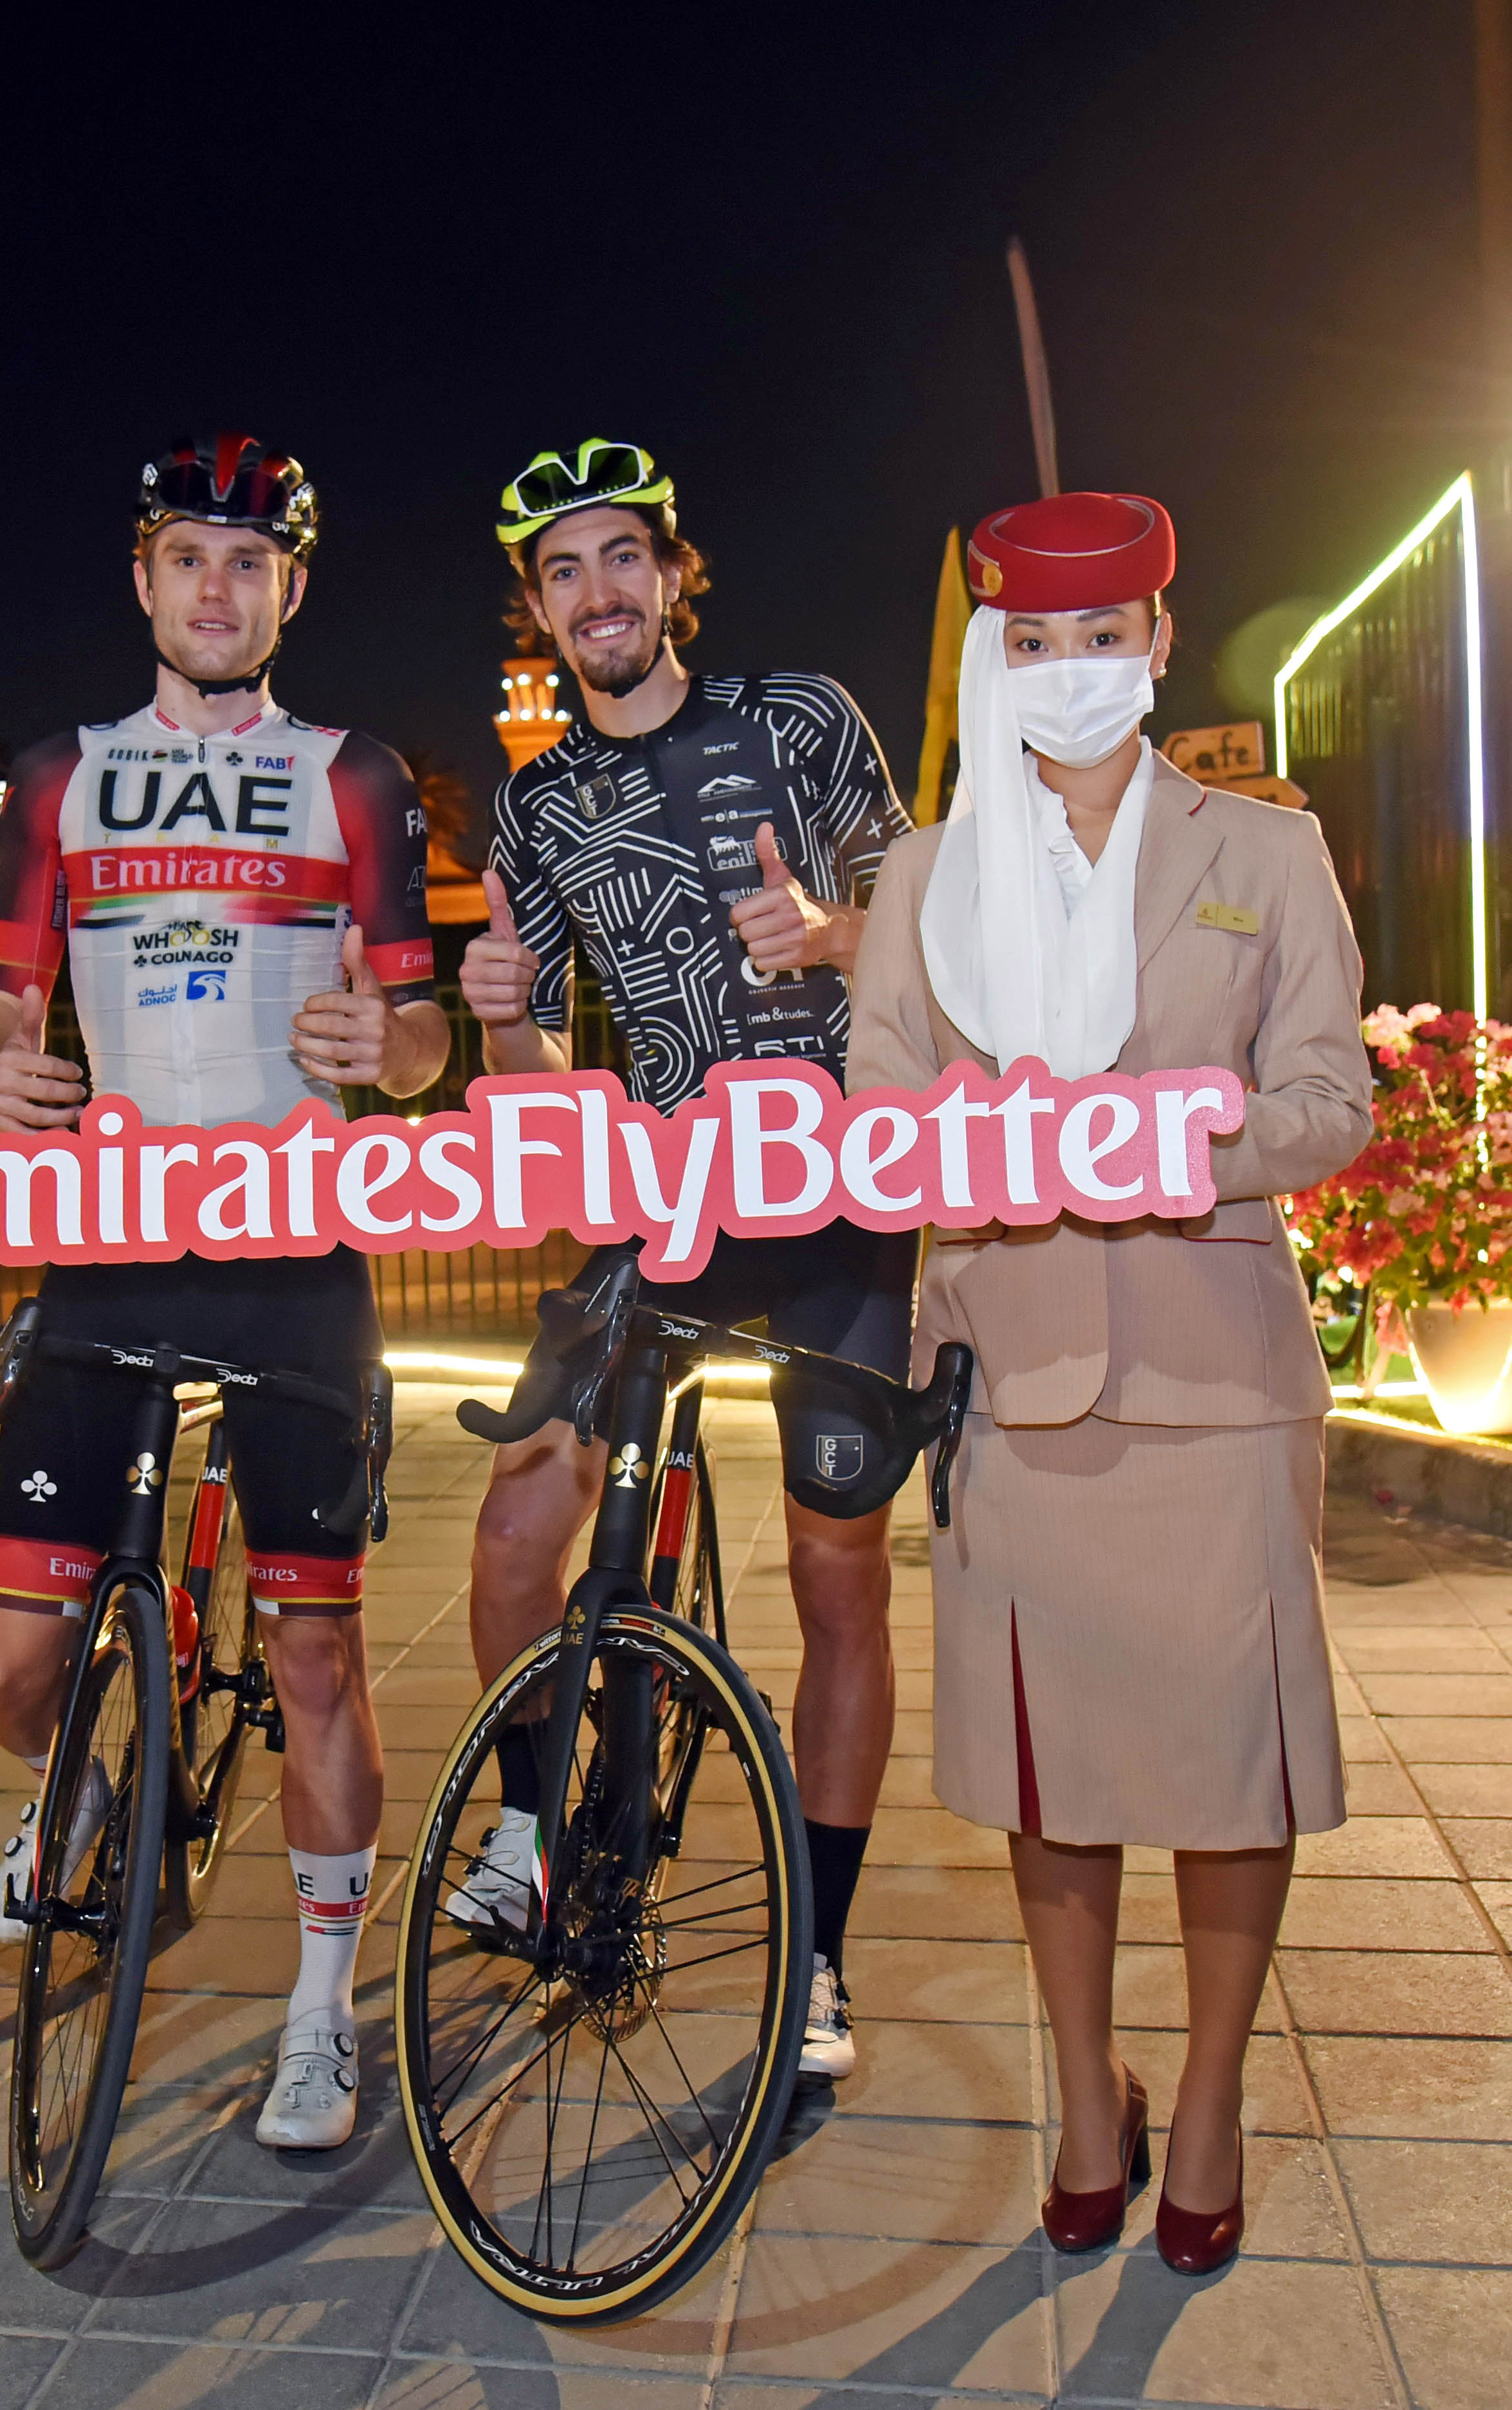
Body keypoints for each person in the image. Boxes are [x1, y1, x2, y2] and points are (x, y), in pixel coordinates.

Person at [846, 491, 1372, 2273]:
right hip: (1016, 1376)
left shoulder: (1261, 847)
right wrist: (977, 1151)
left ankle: (1208, 2098)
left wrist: (1169, 1144)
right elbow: (869, 1129)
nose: (1066, 671)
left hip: (1214, 1382)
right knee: (1047, 1778)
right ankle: (1084, 2097)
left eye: (1100, 637)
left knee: (1231, 1774)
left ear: (1156, 641)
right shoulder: (923, 876)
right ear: (997, 657)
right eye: (1031, 642)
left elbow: (1327, 1105)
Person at [0, 433, 448, 2151]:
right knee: (9, 1663)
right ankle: (95, 1796)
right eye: (188, 557)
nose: (217, 589)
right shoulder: (51, 777)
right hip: (102, 1235)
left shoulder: (354, 774)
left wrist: (385, 1046)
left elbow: (420, 1022)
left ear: (290, 591)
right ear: (144, 578)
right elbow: (4, 1005)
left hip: (293, 1243)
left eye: (251, 563)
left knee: (314, 1646)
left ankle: (320, 2010)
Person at [457, 439, 914, 2079]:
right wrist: (503, 1019)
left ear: (673, 574)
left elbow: (937, 922)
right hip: (666, 1197)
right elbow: (531, 1093)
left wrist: (841, 934)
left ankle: (825, 1957)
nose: (601, 593)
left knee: (836, 1573)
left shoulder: (805, 719)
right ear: (539, 610)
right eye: (564, 571)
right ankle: (522, 1819)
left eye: (623, 559)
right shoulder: (535, 801)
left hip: (849, 1193)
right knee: (519, 1522)